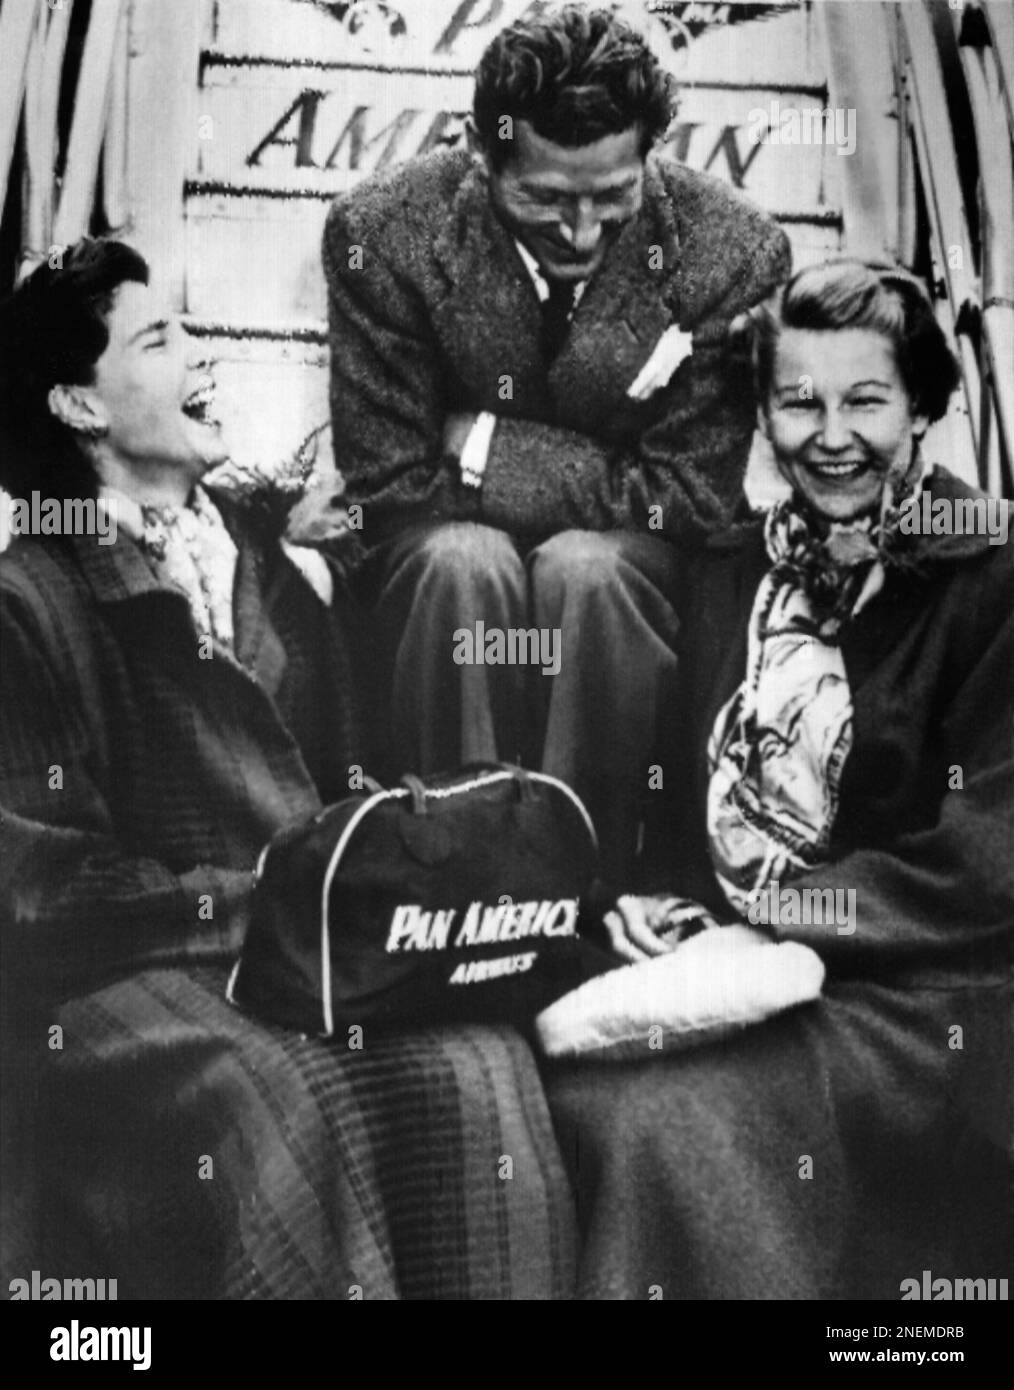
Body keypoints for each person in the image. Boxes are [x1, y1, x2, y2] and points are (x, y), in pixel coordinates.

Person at [0, 239, 573, 1299]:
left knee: (476, 1065)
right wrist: (248, 901)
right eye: (162, 339)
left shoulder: (262, 559)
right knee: (292, 1098)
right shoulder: (30, 597)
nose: (202, 357)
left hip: (299, 961)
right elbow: (33, 888)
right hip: (123, 981)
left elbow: (359, 778)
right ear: (78, 408)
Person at [541, 260, 1014, 1299]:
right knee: (548, 1084)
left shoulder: (990, 574)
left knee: (662, 1119)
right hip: (749, 949)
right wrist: (658, 893)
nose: (830, 433)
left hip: (920, 982)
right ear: (763, 413)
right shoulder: (741, 566)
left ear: (925, 409)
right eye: (799, 401)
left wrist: (787, 920)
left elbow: (989, 861)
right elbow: (694, 777)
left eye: (866, 400)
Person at [324, 3, 790, 882]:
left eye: (613, 198)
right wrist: (596, 474)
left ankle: (583, 898)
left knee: (589, 572)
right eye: (543, 197)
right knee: (461, 565)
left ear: (654, 151)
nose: (580, 234)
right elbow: (388, 485)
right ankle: (453, 888)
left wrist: (480, 448)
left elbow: (688, 499)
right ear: (478, 145)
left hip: (623, 573)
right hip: (439, 562)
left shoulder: (734, 250)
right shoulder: (379, 233)